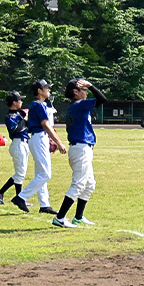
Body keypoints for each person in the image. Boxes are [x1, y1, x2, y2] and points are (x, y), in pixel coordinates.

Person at [53, 78, 106, 228]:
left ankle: (78, 217)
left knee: (89, 184)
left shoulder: (75, 107)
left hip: (82, 148)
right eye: (84, 90)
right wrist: (91, 85)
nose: (86, 92)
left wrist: (89, 87)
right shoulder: (79, 105)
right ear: (75, 92)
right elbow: (102, 99)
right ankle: (60, 217)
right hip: (81, 148)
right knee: (79, 184)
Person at [14, 79, 65, 215]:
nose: (48, 90)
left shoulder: (39, 105)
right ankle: (21, 197)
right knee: (45, 174)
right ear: (39, 91)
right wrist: (59, 142)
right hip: (39, 138)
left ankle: (44, 204)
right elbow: (46, 125)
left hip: (38, 138)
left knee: (40, 173)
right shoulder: (39, 105)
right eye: (46, 88)